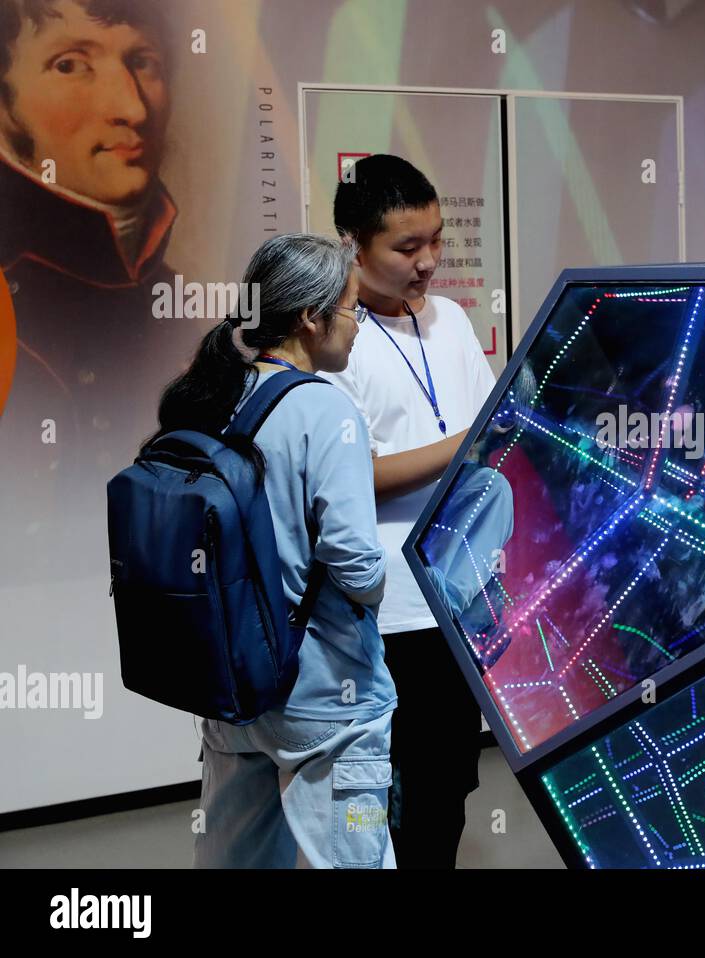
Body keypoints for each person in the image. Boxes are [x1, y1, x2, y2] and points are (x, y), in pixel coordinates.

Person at [148, 232, 395, 869]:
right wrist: (384, 584)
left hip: (233, 686)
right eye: (352, 309)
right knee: (354, 860)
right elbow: (355, 562)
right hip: (327, 695)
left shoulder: (210, 396)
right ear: (311, 318)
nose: (358, 326)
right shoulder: (325, 410)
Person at [325, 154, 496, 869]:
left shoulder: (452, 320)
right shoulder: (334, 341)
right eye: (406, 247)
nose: (429, 263)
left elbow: (490, 427)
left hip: (461, 600)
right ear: (353, 245)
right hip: (384, 608)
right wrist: (462, 447)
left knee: (451, 781)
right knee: (380, 792)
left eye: (436, 240)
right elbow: (345, 478)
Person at [0, 0, 179, 587]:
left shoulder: (197, 311)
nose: (130, 108)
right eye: (72, 65)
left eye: (143, 61)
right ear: (5, 104)